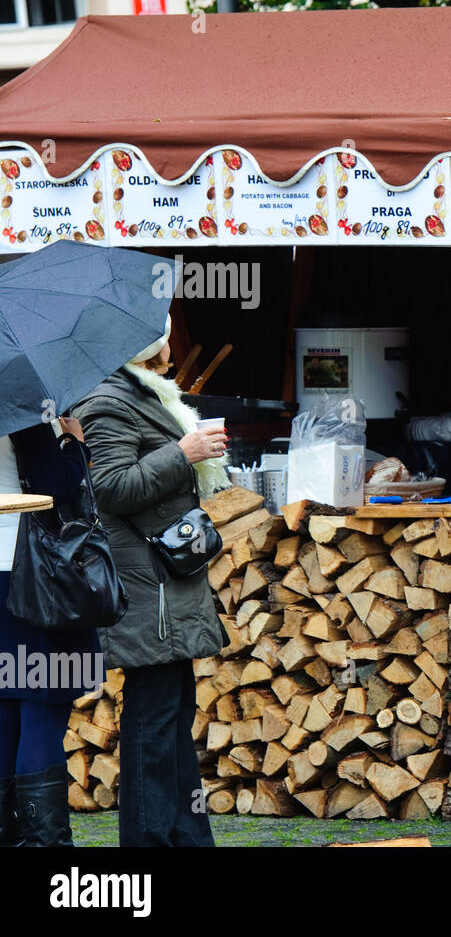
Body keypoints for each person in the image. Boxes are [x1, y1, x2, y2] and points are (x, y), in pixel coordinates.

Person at [72, 316, 230, 846]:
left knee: (172, 717)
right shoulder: (108, 401)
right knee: (153, 723)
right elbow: (112, 487)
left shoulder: (147, 395)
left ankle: (187, 839)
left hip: (164, 581)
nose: (170, 347)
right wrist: (182, 453)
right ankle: (147, 844)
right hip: (146, 588)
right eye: (163, 337)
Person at [0, 419, 103, 846]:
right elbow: (52, 484)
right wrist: (75, 447)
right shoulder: (16, 400)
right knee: (43, 705)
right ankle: (45, 845)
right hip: (32, 573)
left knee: (4, 709)